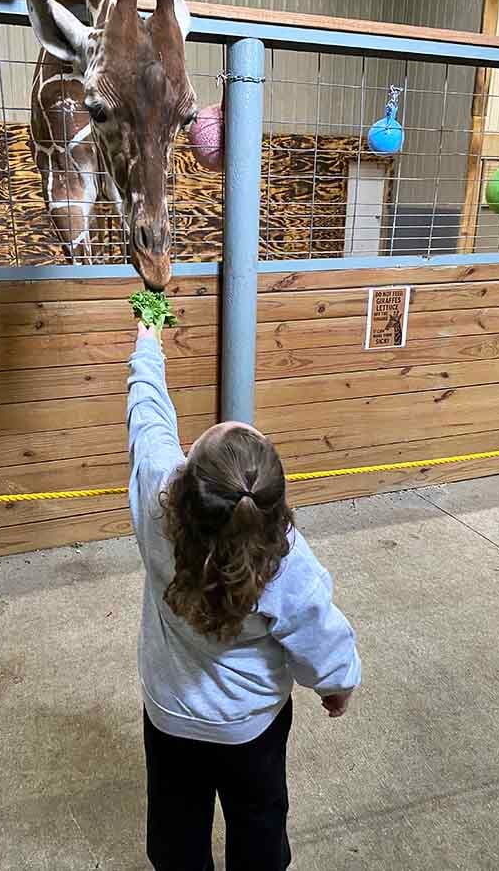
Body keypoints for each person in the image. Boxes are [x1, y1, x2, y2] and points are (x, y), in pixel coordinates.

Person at [127, 322, 361, 871]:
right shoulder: (286, 557)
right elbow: (319, 633)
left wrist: (149, 323)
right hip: (250, 726)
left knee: (176, 833)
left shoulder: (156, 499)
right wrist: (338, 685)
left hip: (170, 716)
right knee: (258, 828)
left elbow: (147, 410)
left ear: (184, 484)